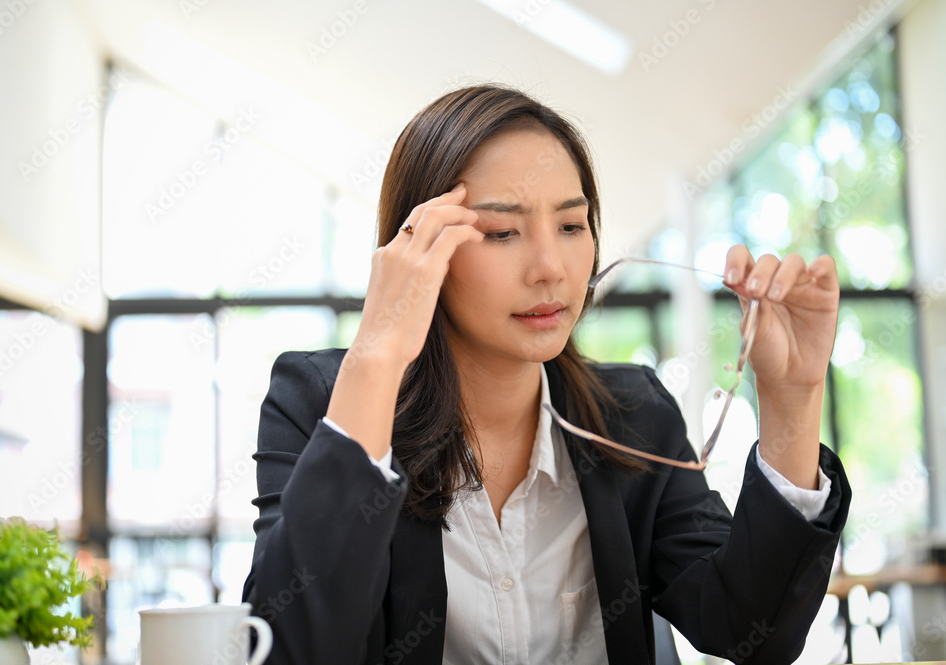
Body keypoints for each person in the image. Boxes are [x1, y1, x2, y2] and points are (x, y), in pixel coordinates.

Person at [241, 84, 851, 665]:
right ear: (418, 250)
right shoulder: (324, 402)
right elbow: (293, 648)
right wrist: (376, 354)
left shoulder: (632, 414)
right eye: (502, 232)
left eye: (569, 225)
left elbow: (751, 631)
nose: (550, 268)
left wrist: (792, 399)